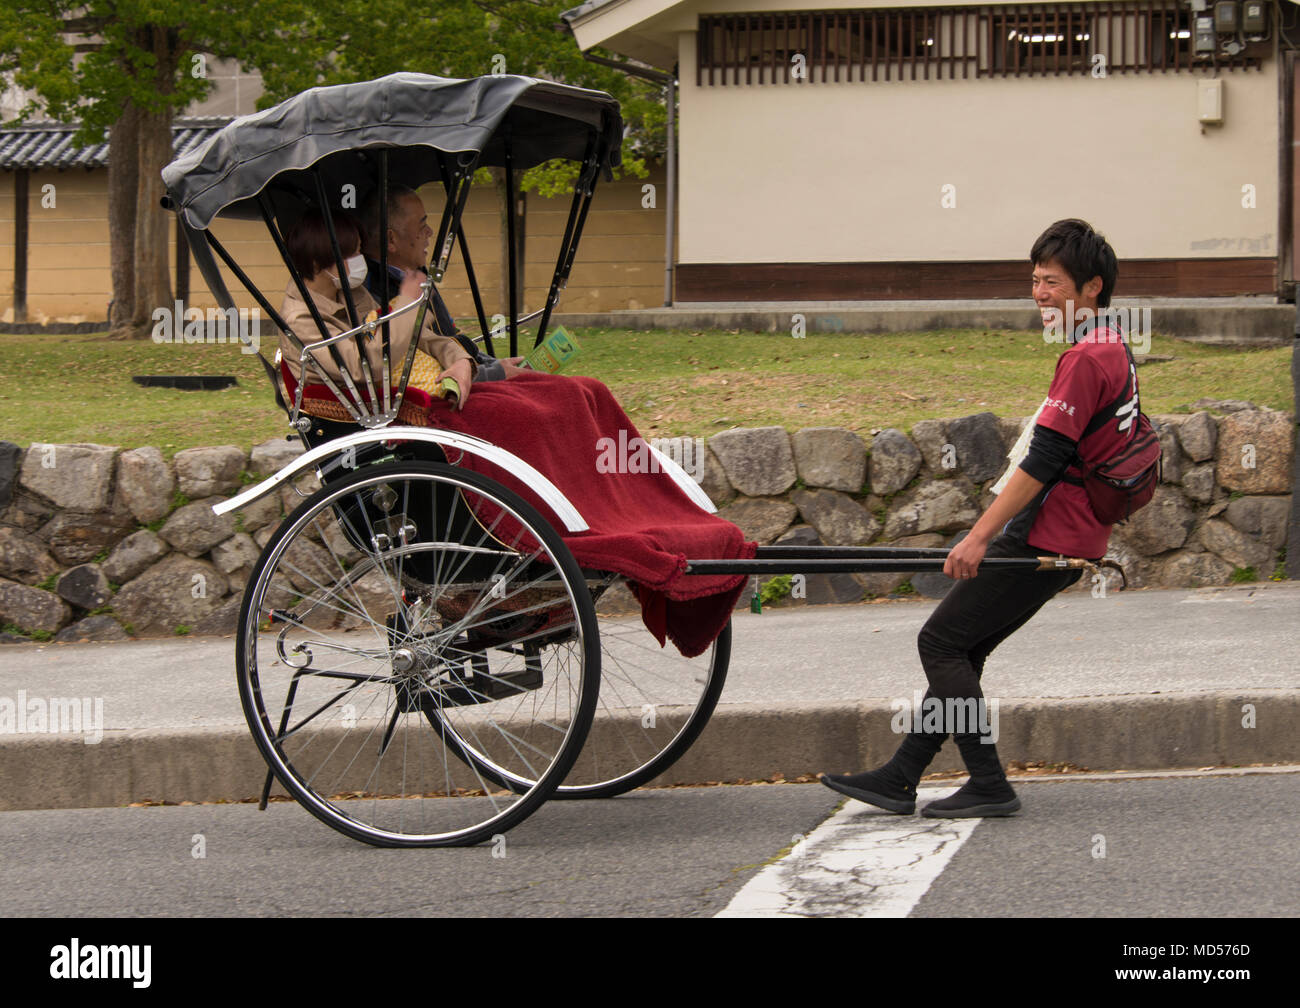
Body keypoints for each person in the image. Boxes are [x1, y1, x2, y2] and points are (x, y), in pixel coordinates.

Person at [821, 218, 1139, 818]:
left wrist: (978, 536)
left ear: (1092, 287)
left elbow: (1044, 459)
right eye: (1035, 281)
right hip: (1074, 534)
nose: (1039, 294)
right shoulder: (1111, 346)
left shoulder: (1086, 360)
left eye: (1052, 282)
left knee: (940, 641)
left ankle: (989, 783)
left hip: (1048, 534)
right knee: (962, 651)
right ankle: (902, 774)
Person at [277, 209, 477, 410]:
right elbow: (362, 366)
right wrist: (407, 304)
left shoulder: (352, 293)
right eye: (352, 253)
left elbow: (413, 336)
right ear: (317, 262)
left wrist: (459, 360)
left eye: (359, 250)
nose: (359, 259)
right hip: (364, 408)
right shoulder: (300, 319)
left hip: (395, 392)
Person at [358, 185, 525, 383]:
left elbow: (452, 340)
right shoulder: (374, 295)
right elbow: (428, 372)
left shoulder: (414, 276)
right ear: (391, 239)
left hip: (474, 373)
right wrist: (497, 372)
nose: (429, 232)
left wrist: (501, 365)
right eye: (422, 227)